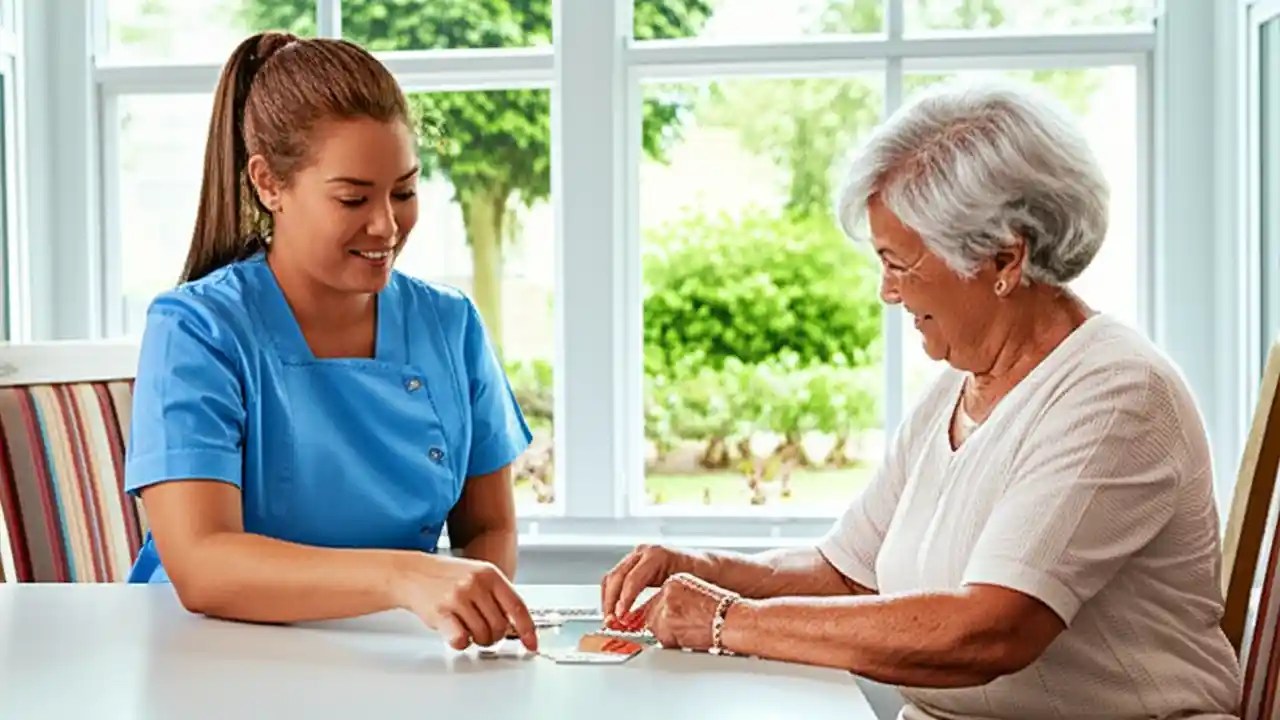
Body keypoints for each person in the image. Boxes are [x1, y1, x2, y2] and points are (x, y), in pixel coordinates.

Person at [602, 80, 1243, 718]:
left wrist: (726, 621)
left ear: (1003, 261)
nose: (887, 292)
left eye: (899, 264)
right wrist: (705, 569)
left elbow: (989, 631)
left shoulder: (1115, 395)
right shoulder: (959, 389)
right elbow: (847, 575)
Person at [124, 31, 539, 654]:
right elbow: (202, 565)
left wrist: (476, 610)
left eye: (404, 191)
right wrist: (405, 575)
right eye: (353, 198)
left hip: (390, 657)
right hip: (207, 660)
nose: (387, 226)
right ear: (269, 184)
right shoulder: (197, 330)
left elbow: (488, 525)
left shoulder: (451, 325)